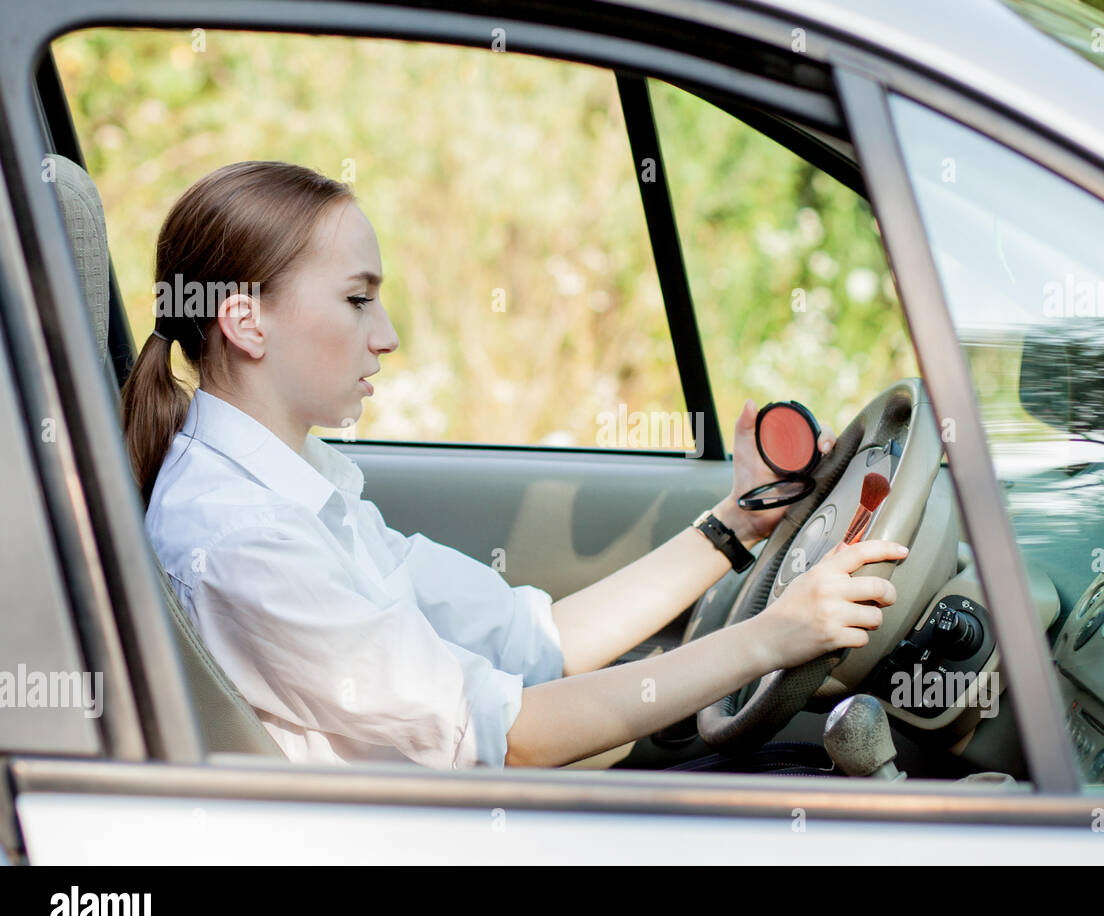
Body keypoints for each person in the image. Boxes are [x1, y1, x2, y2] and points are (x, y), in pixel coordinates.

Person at [121, 160, 909, 771]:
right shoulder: (244, 539)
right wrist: (777, 635)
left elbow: (535, 640)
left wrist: (735, 524)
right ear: (245, 321)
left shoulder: (299, 486)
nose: (387, 335)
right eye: (358, 300)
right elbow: (510, 736)